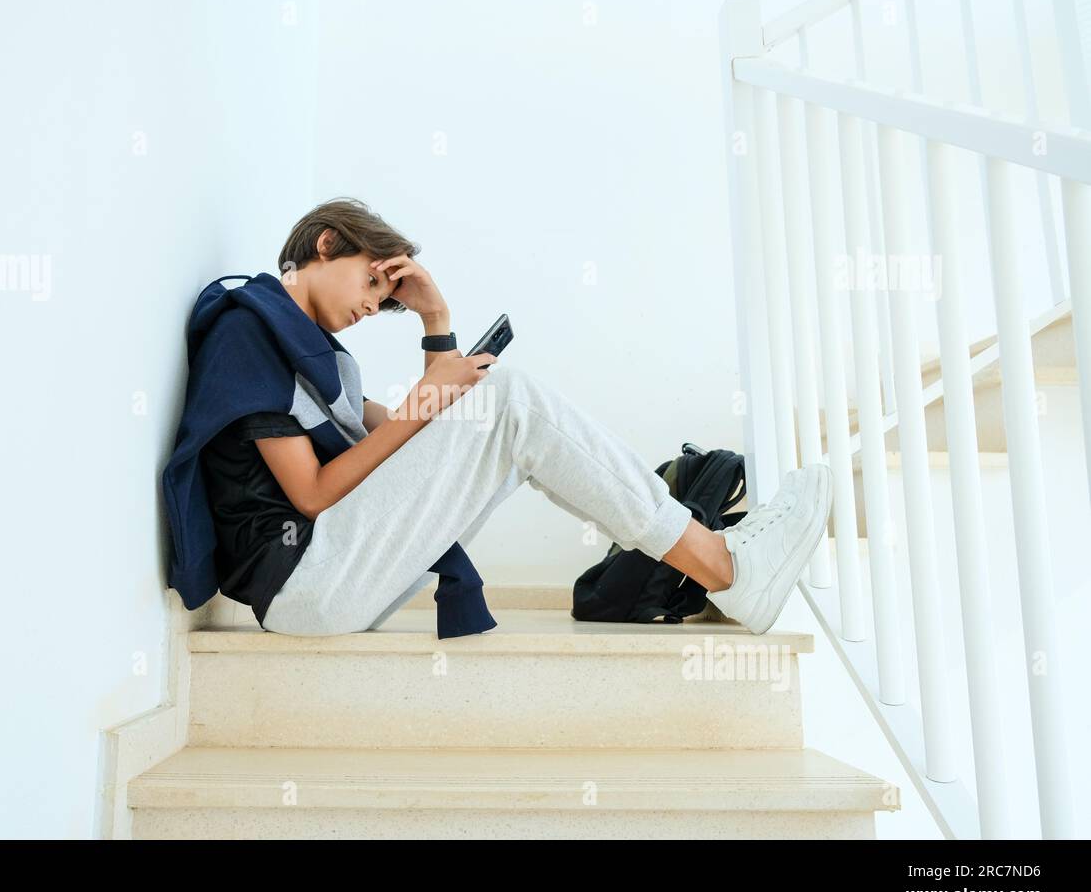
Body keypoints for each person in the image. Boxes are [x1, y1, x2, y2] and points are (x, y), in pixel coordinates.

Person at [205, 197, 832, 638]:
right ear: (325, 243)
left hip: (332, 576)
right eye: (372, 283)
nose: (373, 305)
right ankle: (724, 568)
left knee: (504, 413)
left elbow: (405, 430)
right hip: (307, 583)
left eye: (381, 295)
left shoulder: (312, 356)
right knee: (510, 401)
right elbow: (313, 496)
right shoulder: (249, 331)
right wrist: (438, 384)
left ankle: (701, 561)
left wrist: (436, 321)